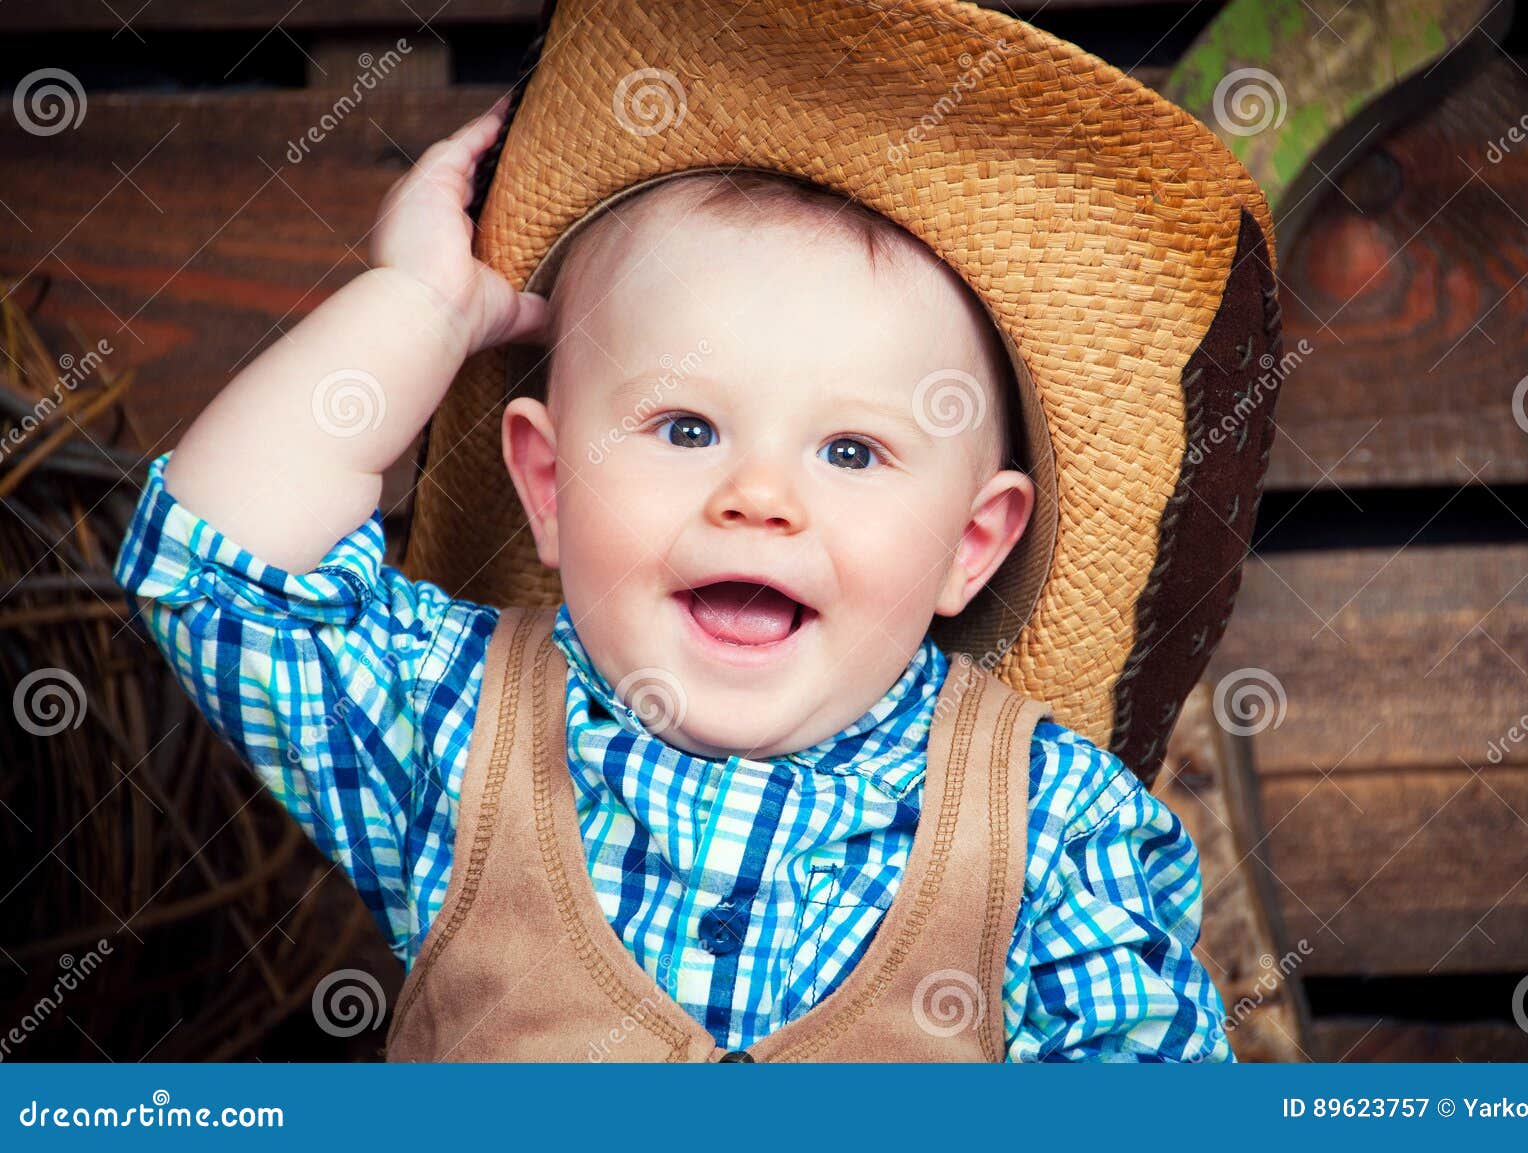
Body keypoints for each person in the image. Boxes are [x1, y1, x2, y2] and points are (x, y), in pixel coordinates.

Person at [114, 93, 1234, 1062]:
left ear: (969, 545)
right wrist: (421, 306)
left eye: (850, 452)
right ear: (549, 486)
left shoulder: (1047, 828)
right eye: (686, 427)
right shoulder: (453, 722)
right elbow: (221, 557)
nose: (757, 495)